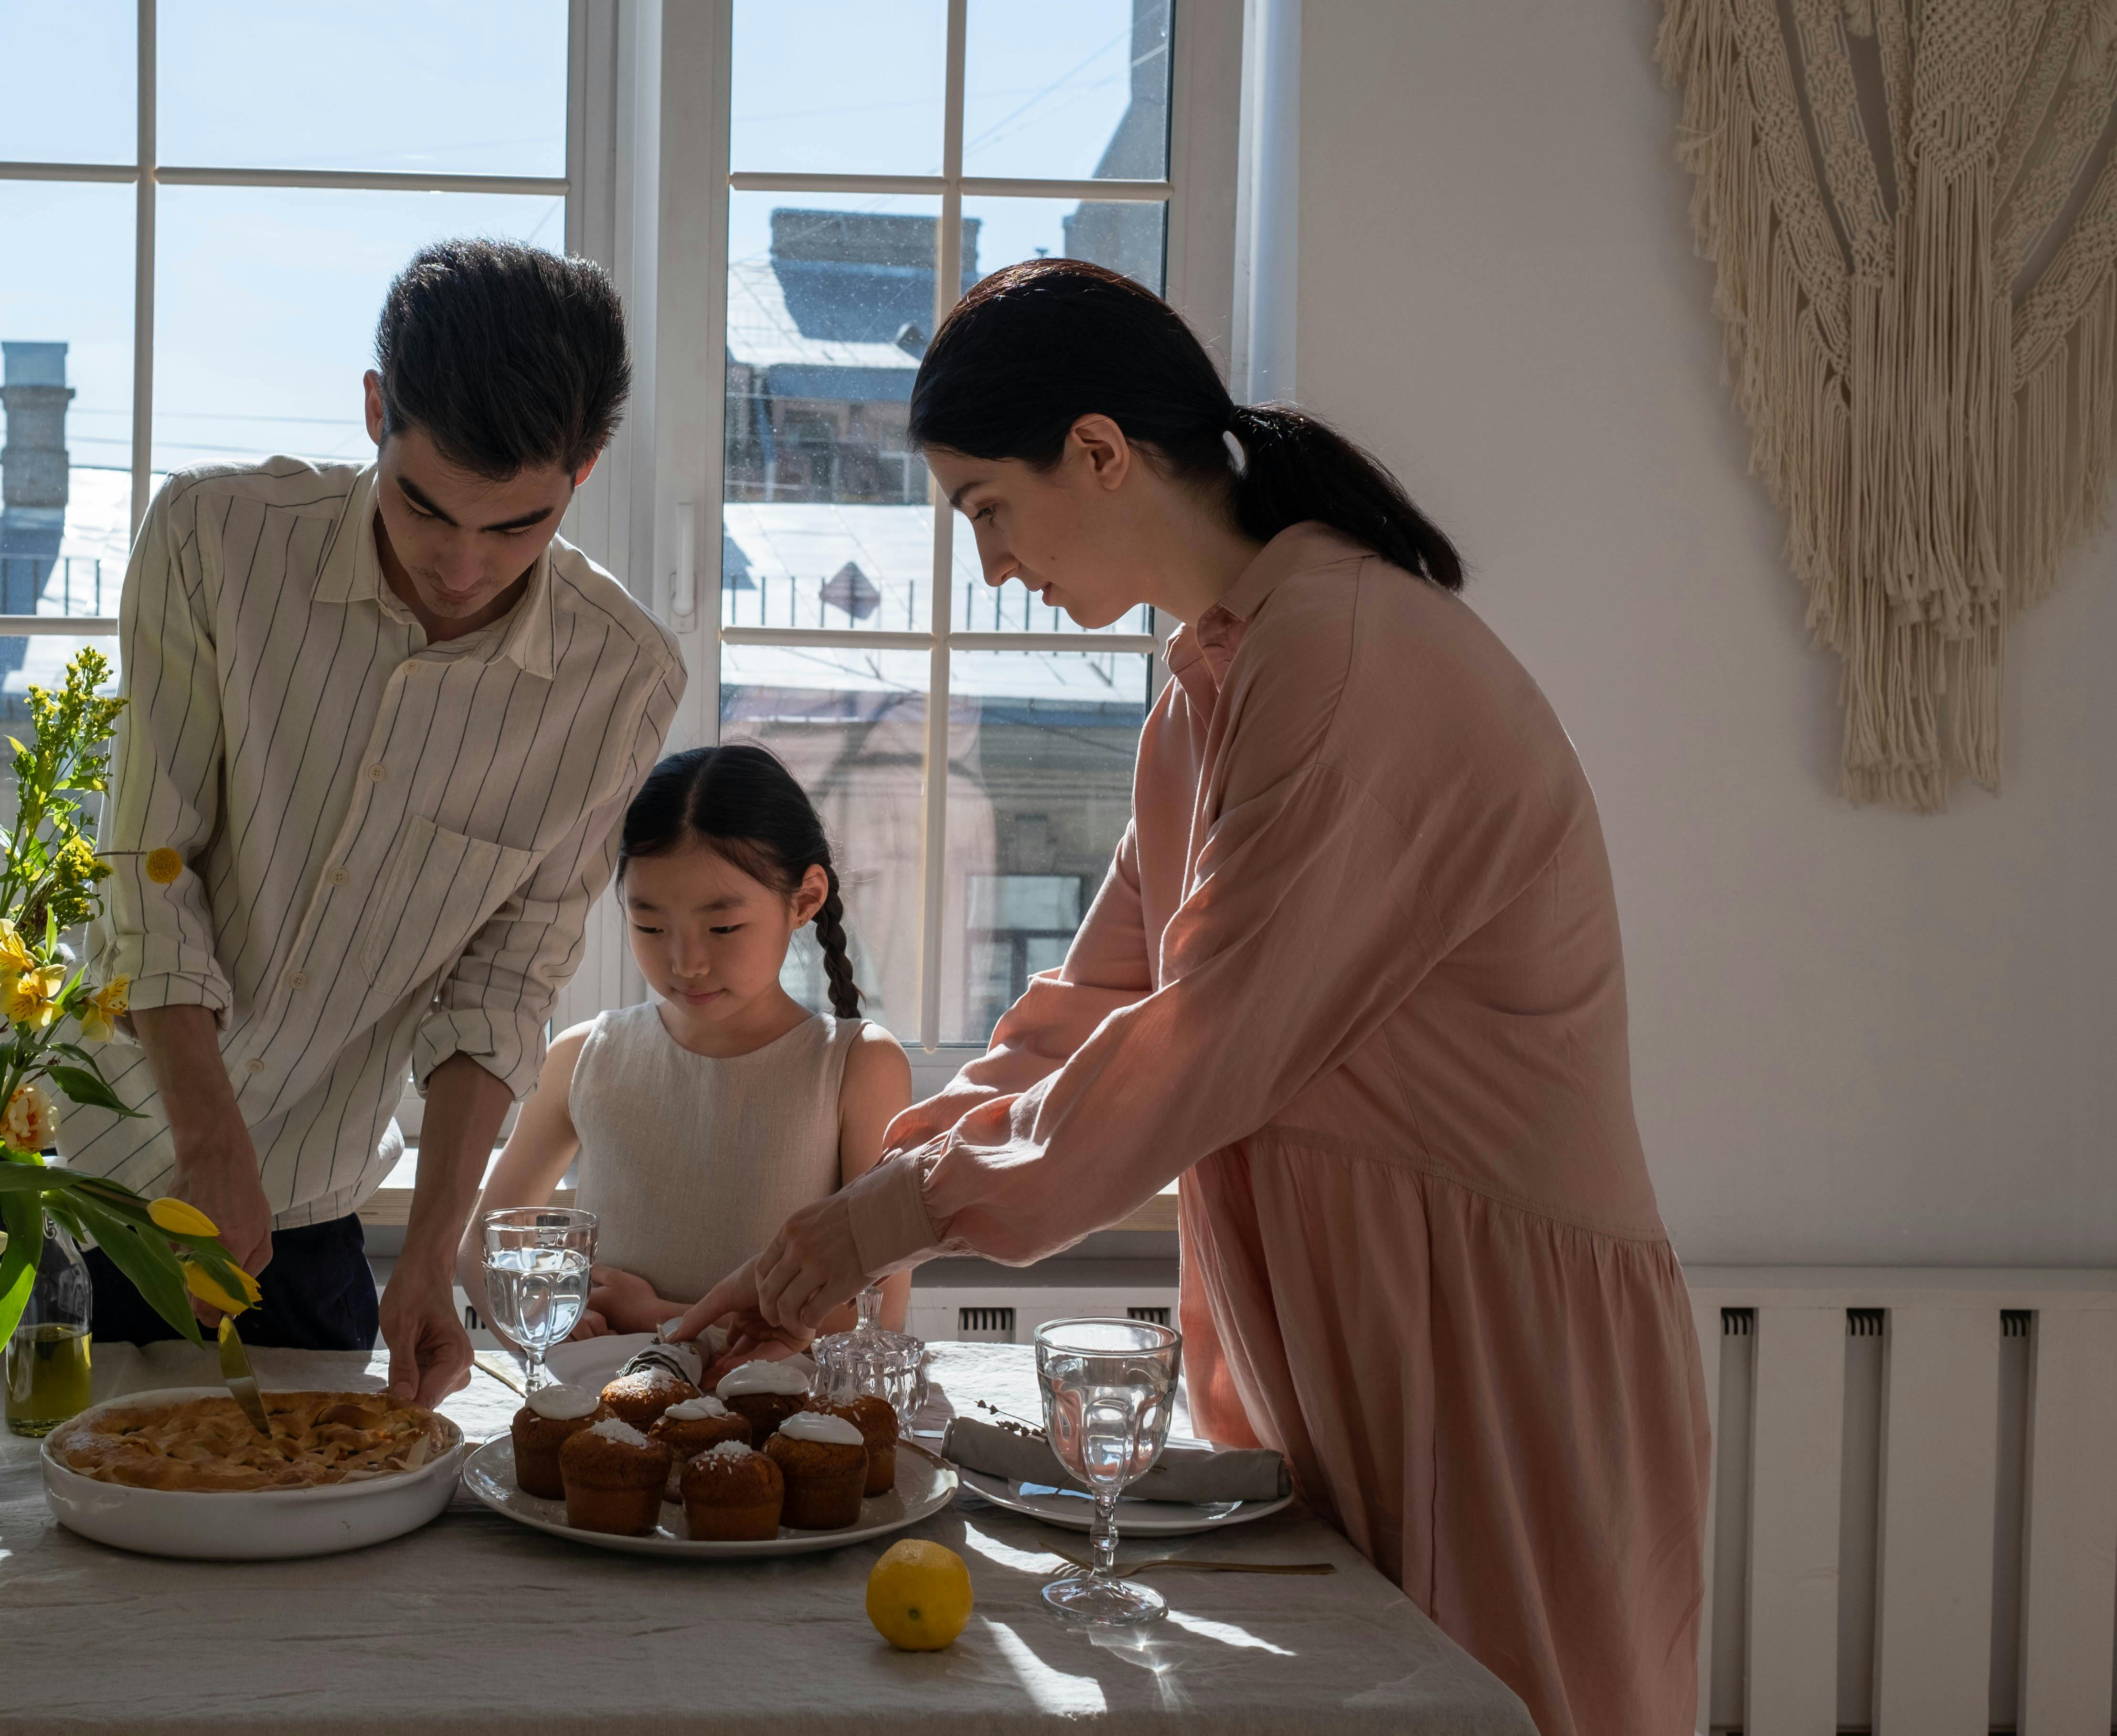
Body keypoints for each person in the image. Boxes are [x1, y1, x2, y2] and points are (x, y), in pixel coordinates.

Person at [672, 259, 1706, 1736]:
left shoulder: (1343, 655)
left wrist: (874, 1221)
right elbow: (1082, 1011)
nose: (990, 567)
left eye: (986, 509)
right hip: (1339, 1318)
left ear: (1099, 450)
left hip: (1488, 1337)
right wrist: (839, 1223)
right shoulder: (1203, 699)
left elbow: (1192, 1047)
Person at [63, 239, 685, 1407]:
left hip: (311, 1220)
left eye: (516, 526)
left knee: (334, 1513)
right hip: (82, 1184)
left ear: (583, 472)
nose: (461, 566)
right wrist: (208, 1142)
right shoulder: (211, 539)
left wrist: (436, 1248)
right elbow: (147, 873)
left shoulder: (619, 678)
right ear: (371, 411)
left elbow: (501, 985)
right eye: (423, 505)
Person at [464, 746, 913, 1343]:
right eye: (649, 925)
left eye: (722, 927)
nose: (685, 962)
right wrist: (543, 1325)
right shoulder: (584, 1057)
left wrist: (657, 1315)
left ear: (804, 900)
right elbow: (478, 1250)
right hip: (609, 1400)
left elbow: (875, 1315)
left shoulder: (858, 1065)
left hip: (783, 1403)